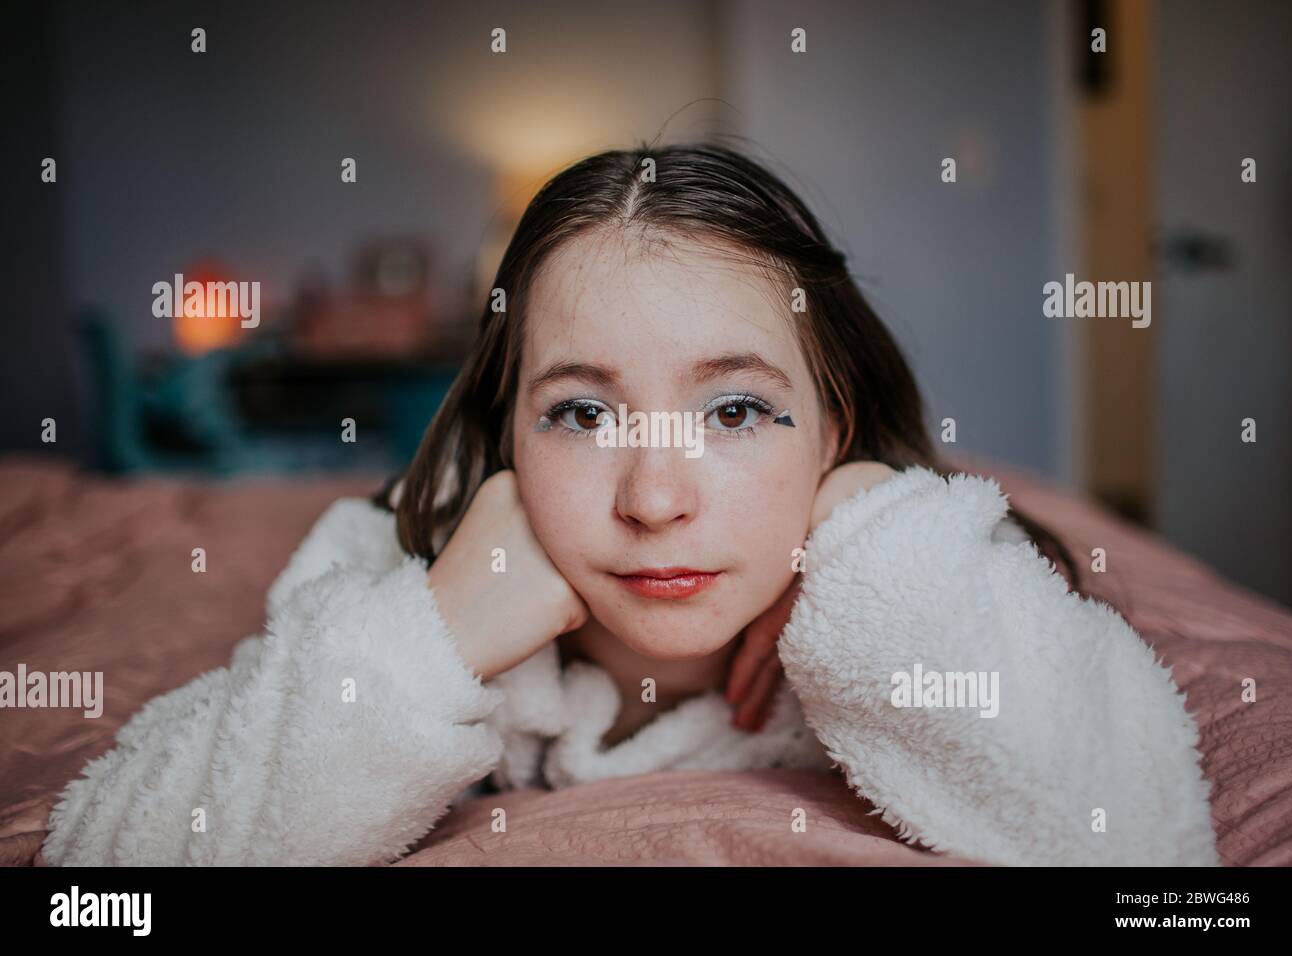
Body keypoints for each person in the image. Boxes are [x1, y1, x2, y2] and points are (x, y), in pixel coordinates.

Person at [41, 142, 1219, 867]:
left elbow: (1142, 845)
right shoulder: (386, 579)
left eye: (739, 411)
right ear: (504, 436)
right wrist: (437, 631)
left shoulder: (907, 595)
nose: (655, 498)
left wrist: (866, 516)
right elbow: (110, 873)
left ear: (833, 427)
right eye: (582, 414)